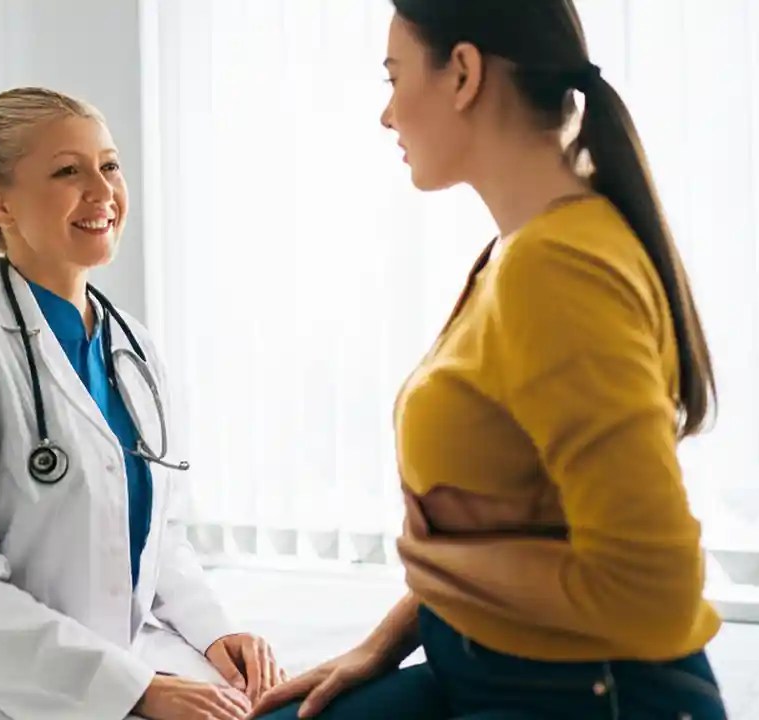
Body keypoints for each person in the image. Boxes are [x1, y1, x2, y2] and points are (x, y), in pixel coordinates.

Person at [253, 1, 727, 718]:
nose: (387, 114)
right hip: (477, 668)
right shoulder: (521, 253)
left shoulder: (560, 270)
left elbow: (653, 595)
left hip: (579, 695)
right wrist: (383, 642)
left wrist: (434, 562)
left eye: (394, 76)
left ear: (464, 73)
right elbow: (515, 517)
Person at [0, 87, 284, 720]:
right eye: (69, 171)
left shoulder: (133, 346)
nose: (102, 191)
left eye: (110, 165)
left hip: (121, 669)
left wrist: (212, 632)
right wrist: (131, 690)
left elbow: (158, 538)